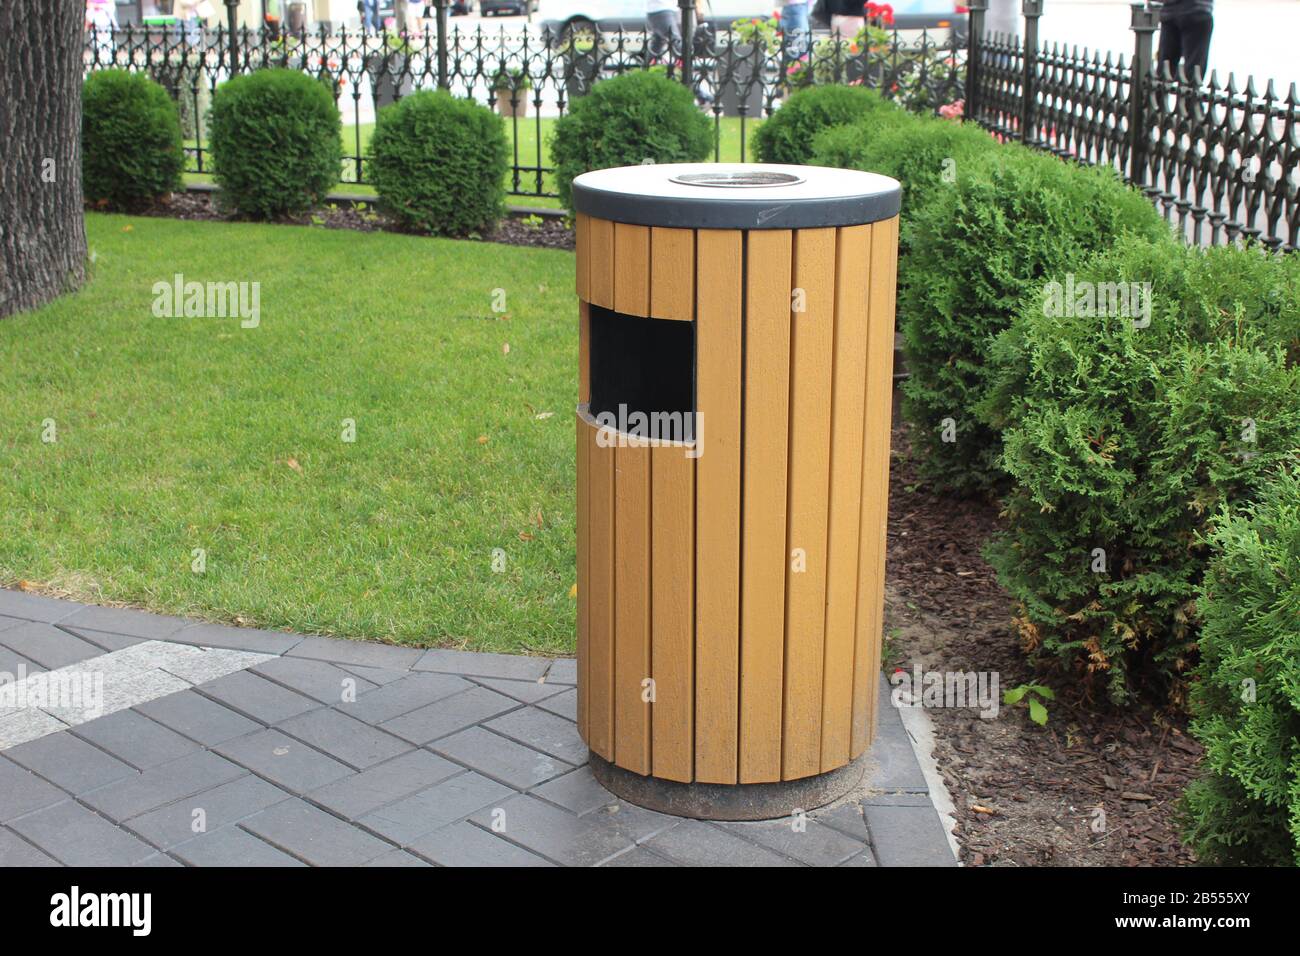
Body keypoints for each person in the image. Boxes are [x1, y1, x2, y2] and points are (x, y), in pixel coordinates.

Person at [1157, 0, 1213, 82]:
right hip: (1197, 11)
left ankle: (1157, 92)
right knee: (1194, 70)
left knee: (1165, 67)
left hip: (1170, 12)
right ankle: (1190, 91)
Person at [647, 0, 681, 66]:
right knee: (677, 43)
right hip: (661, 9)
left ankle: (646, 69)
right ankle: (686, 71)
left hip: (670, 8)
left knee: (657, 44)